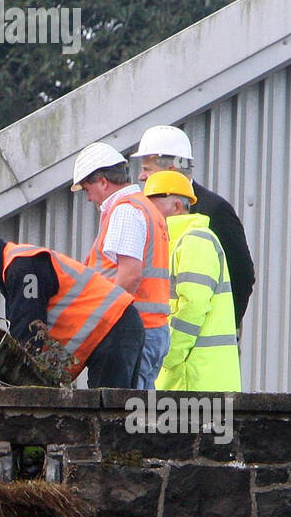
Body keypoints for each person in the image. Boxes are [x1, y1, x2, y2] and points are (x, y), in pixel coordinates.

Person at [0, 209, 143, 388]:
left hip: (114, 329)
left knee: (111, 415)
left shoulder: (22, 267)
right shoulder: (15, 265)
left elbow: (28, 334)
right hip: (116, 327)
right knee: (117, 414)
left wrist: (9, 382)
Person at [71, 141, 171, 390]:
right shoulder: (144, 207)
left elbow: (129, 277)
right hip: (149, 327)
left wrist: (102, 323)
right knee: (140, 413)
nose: (88, 197)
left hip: (135, 330)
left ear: (103, 182)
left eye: (87, 189)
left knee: (127, 416)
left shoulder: (125, 211)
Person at [135, 125, 254, 330]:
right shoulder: (149, 209)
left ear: (170, 171)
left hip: (204, 341)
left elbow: (241, 275)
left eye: (147, 169)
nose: (141, 176)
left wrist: (222, 328)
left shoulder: (215, 210)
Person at [142, 171, 241, 392]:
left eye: (152, 204)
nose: (146, 212)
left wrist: (167, 357)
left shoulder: (196, 240)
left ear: (176, 205)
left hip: (197, 379)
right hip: (188, 377)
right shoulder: (174, 244)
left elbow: (193, 305)